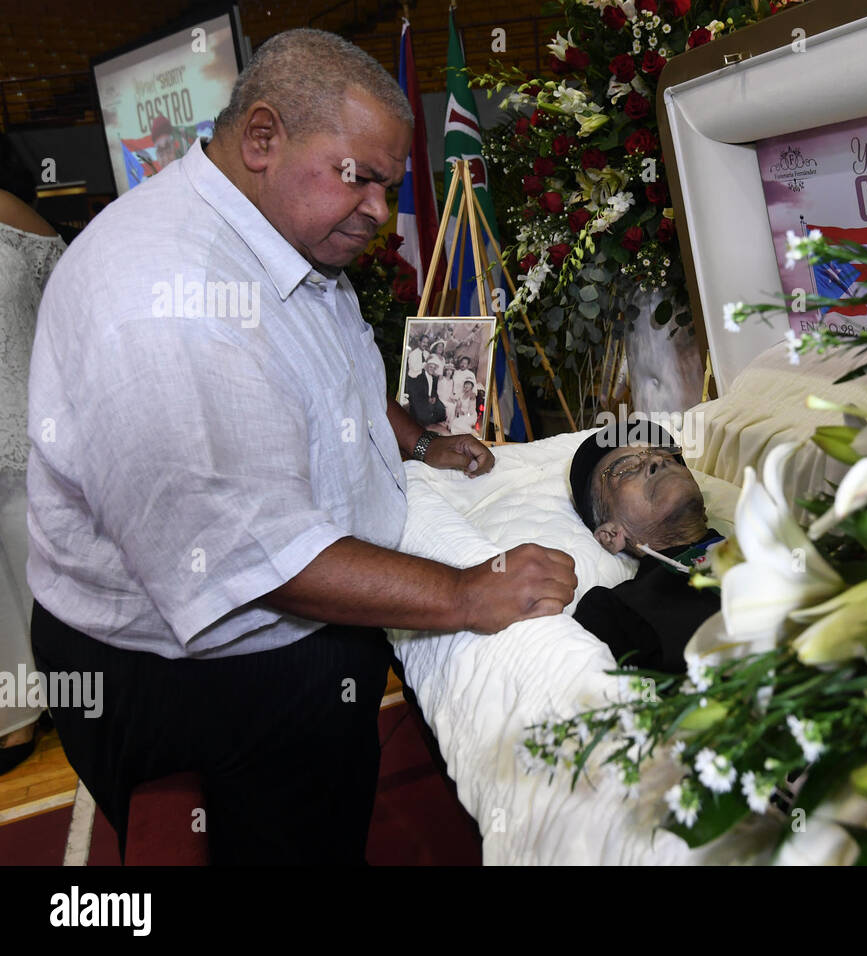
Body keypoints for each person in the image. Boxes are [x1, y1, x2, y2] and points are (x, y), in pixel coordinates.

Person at [25, 29, 576, 863]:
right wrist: (469, 591)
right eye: (361, 179)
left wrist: (416, 440)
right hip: (195, 672)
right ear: (261, 138)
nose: (380, 213)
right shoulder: (167, 307)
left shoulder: (278, 223)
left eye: (389, 187)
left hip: (295, 627)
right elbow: (256, 558)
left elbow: (331, 371)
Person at [0, 135, 66, 774]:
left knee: (30, 565)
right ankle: (13, 717)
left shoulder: (13, 215)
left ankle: (58, 702)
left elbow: (66, 291)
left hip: (22, 424)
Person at [568, 421, 723, 674]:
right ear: (611, 534)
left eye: (665, 455)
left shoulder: (778, 542)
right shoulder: (616, 613)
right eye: (627, 468)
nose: (658, 461)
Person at [407, 355, 447, 428]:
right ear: (427, 367)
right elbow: (418, 391)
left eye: (434, 368)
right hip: (421, 397)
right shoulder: (420, 376)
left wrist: (434, 397)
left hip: (430, 397)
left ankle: (434, 424)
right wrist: (427, 398)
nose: (432, 369)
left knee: (441, 408)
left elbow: (434, 389)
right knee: (424, 413)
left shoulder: (434, 378)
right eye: (430, 367)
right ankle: (424, 424)